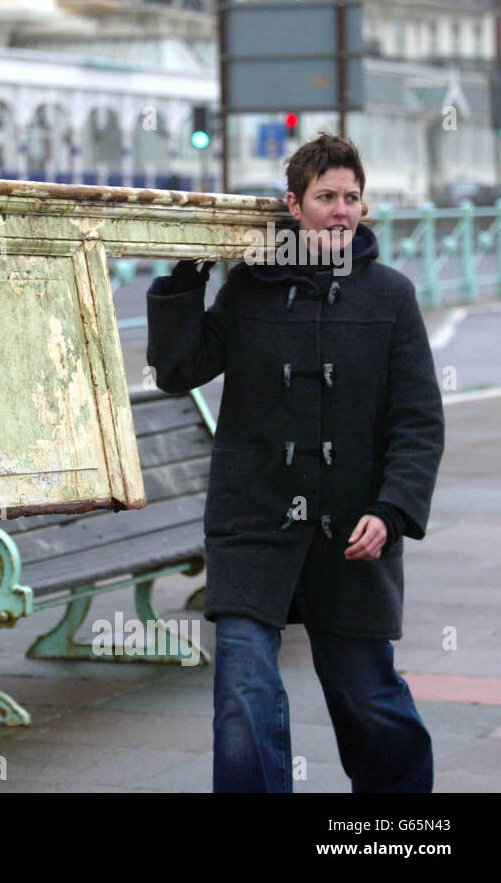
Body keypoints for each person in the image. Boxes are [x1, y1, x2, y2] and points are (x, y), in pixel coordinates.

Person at [145, 132, 444, 793]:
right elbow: (177, 369)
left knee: (371, 703)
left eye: (352, 198)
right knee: (244, 698)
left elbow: (418, 422)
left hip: (352, 537)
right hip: (253, 525)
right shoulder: (249, 289)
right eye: (326, 197)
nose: (342, 210)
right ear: (294, 204)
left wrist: (392, 512)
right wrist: (190, 275)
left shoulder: (391, 297)